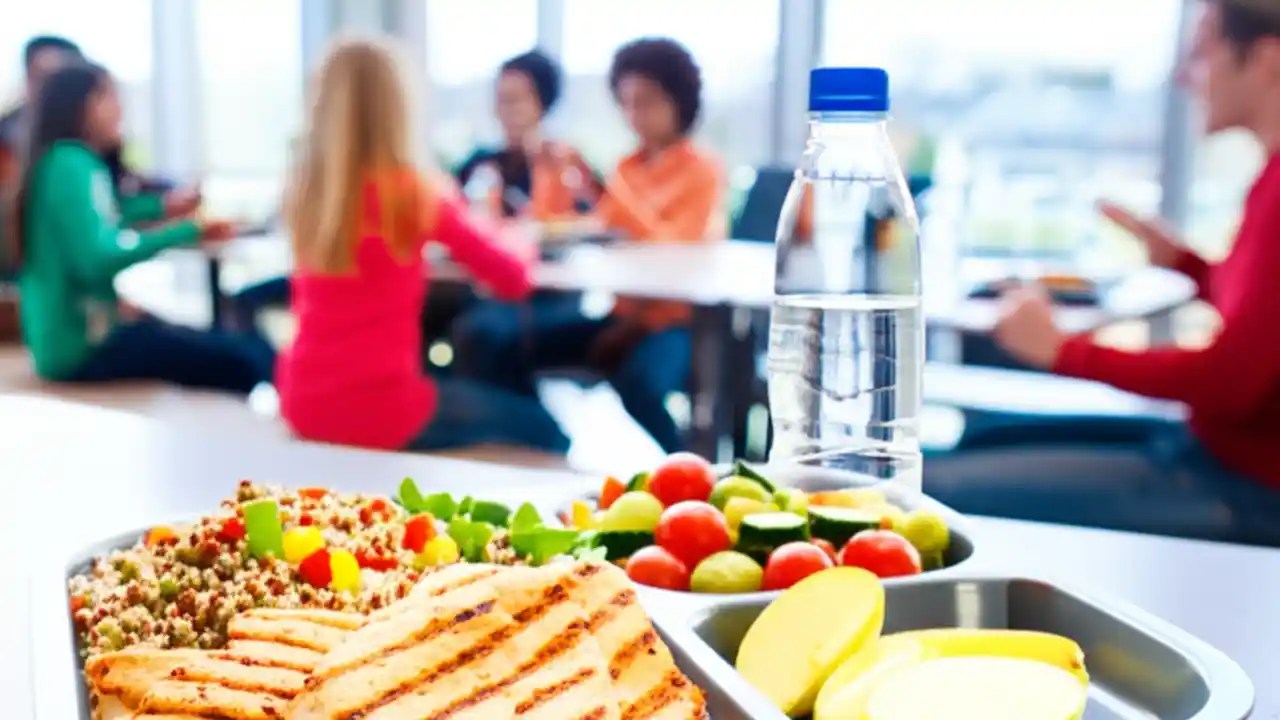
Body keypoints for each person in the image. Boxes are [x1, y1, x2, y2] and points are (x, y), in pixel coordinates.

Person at [927, 0, 1280, 545]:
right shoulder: (1269, 179)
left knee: (933, 489)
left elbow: (1233, 381)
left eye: (1204, 51)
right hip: (1208, 448)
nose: (1187, 75)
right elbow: (1264, 330)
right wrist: (1189, 266)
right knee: (980, 438)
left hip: (1249, 491)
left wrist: (1061, 352)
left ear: (1266, 60)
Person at [276, 37, 569, 454]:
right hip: (383, 413)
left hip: (302, 403)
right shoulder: (413, 192)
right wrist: (518, 234)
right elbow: (512, 278)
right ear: (397, 108)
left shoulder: (306, 191)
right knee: (546, 430)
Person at [453, 37, 724, 453]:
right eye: (628, 103)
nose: (636, 116)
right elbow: (580, 225)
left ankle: (691, 470)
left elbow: (673, 250)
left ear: (679, 101)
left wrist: (607, 189)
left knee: (641, 383)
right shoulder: (626, 166)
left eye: (648, 102)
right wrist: (552, 173)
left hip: (673, 321)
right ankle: (539, 447)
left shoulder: (702, 171)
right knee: (496, 341)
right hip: (619, 315)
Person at [14, 62, 272, 392]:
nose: (119, 108)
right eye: (107, 96)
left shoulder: (58, 160)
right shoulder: (72, 163)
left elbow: (103, 215)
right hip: (83, 346)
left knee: (210, 342)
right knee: (242, 359)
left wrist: (163, 207)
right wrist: (188, 230)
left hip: (68, 339)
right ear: (81, 105)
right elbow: (97, 258)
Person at [454, 49, 595, 219]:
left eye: (514, 100)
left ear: (542, 103)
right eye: (500, 100)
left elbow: (595, 217)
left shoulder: (565, 163)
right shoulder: (479, 165)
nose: (505, 111)